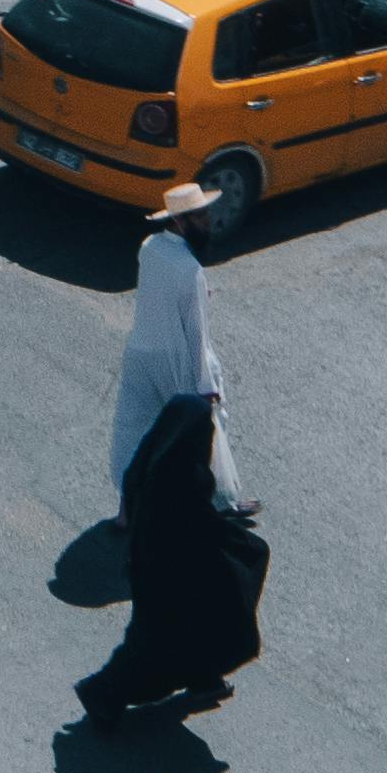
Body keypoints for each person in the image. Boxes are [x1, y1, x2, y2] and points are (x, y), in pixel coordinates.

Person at [75, 391, 269, 731]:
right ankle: (102, 694)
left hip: (154, 566)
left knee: (177, 635)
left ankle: (201, 677)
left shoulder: (156, 458)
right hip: (173, 574)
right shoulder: (186, 475)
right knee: (160, 646)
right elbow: (198, 525)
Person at [109, 179, 243, 519]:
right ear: (181, 221)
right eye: (200, 216)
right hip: (176, 360)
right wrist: (206, 385)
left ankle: (127, 508)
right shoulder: (191, 270)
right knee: (201, 429)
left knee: (132, 429)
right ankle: (220, 501)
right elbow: (197, 334)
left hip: (140, 352)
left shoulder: (149, 247)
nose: (208, 221)